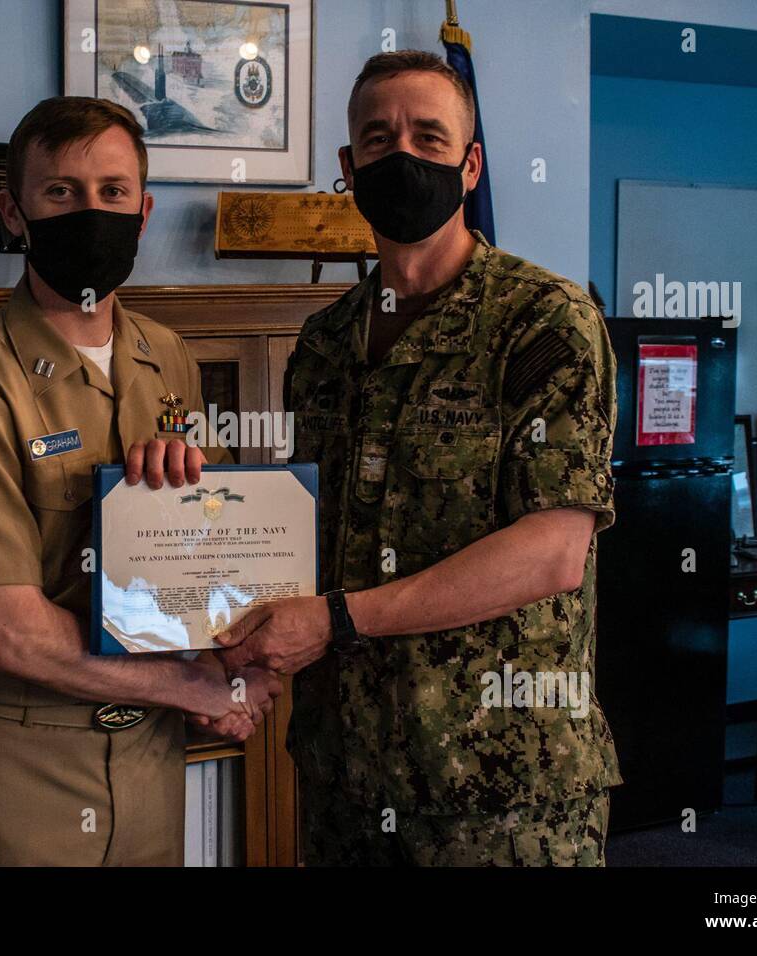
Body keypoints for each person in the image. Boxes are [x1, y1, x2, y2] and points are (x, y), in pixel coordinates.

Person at [216, 51, 622, 866]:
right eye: (378, 137)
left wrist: (335, 620)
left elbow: (553, 553)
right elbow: (301, 536)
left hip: (502, 792)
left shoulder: (545, 325)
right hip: (345, 779)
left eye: (428, 136)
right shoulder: (324, 344)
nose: (402, 154)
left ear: (470, 166)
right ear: (348, 167)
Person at [0, 96, 280, 866]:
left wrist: (231, 656)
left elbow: (194, 571)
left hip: (146, 763)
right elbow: (9, 634)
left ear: (142, 214)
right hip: (22, 771)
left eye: (112, 193)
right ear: (15, 211)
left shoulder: (166, 354)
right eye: (61, 193)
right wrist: (195, 688)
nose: (90, 212)